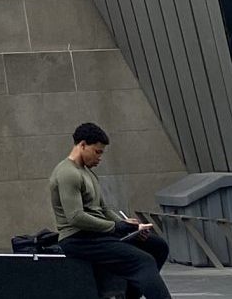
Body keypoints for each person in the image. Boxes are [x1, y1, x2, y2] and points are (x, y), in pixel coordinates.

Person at [50, 123, 170, 299]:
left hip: (97, 235)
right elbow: (75, 217)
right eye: (97, 152)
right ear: (82, 145)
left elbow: (103, 208)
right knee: (143, 261)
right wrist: (115, 227)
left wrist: (128, 226)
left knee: (158, 247)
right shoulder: (67, 173)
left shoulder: (87, 173)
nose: (100, 158)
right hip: (78, 239)